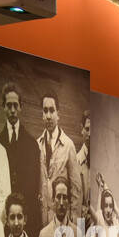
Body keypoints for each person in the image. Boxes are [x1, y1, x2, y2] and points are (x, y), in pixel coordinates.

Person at [0, 83, 44, 234]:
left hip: (26, 219)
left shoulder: (32, 144)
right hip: (5, 218)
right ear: (3, 107)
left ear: (20, 107)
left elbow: (34, 185)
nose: (12, 110)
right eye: (9, 105)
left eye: (15, 105)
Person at [37, 92, 79, 229]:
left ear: (58, 114)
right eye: (45, 111)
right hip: (43, 222)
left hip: (63, 221)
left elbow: (76, 191)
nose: (48, 116)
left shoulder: (68, 145)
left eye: (52, 110)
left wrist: (74, 224)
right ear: (42, 115)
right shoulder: (37, 145)